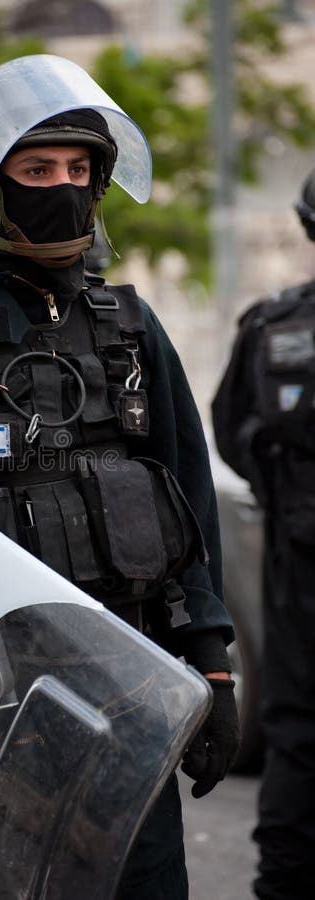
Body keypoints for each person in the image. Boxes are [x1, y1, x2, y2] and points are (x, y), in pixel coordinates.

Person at [0, 54, 240, 900]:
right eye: (35, 169)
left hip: (133, 705)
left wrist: (210, 668)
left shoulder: (130, 329)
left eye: (76, 169)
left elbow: (190, 507)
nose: (61, 186)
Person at [212, 167, 315, 900]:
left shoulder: (271, 326)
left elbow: (228, 428)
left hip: (297, 569)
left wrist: (283, 493)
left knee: (296, 740)